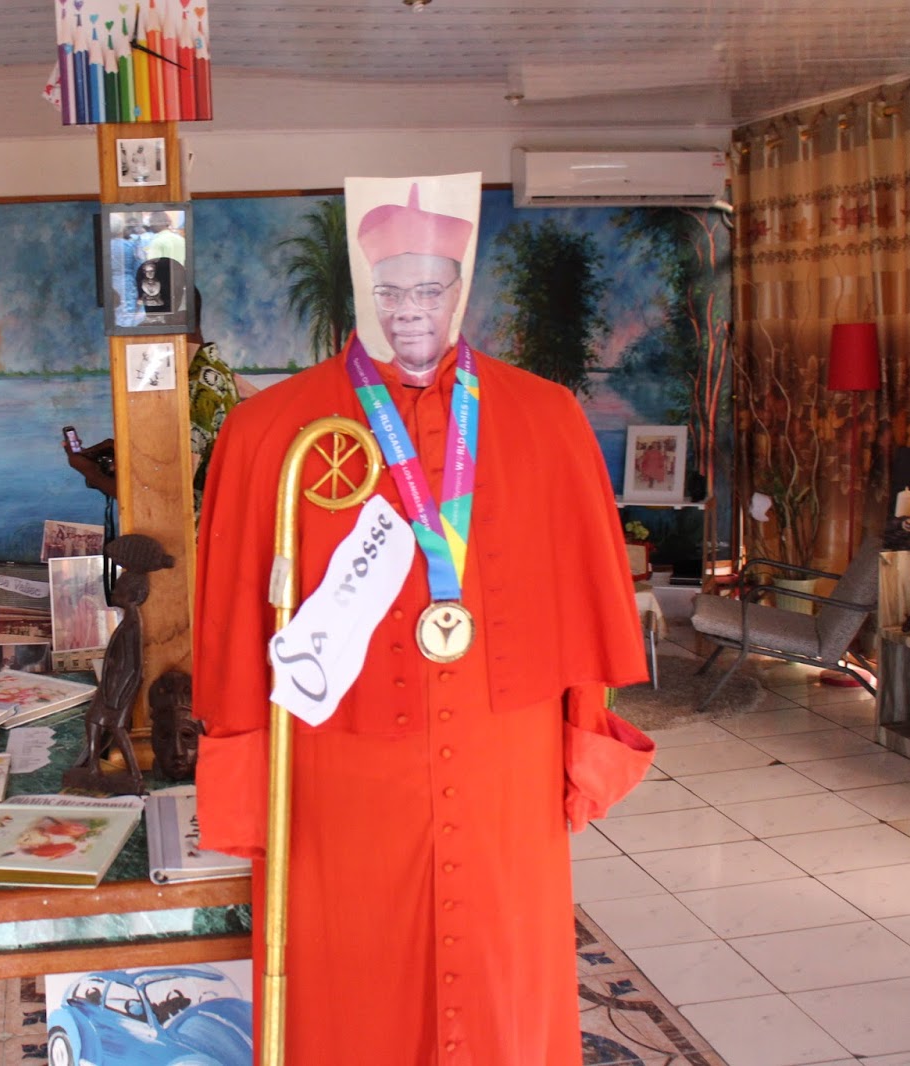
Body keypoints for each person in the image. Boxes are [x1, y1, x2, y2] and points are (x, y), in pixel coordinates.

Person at [192, 174, 654, 1065]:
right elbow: (230, 646)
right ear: (363, 289)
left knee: (500, 1000)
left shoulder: (549, 421)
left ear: (461, 286)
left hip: (502, 786)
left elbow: (581, 615)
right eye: (391, 291)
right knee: (347, 1006)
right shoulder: (267, 434)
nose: (411, 310)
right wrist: (248, 801)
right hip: (335, 788)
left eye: (430, 289)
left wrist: (579, 751)